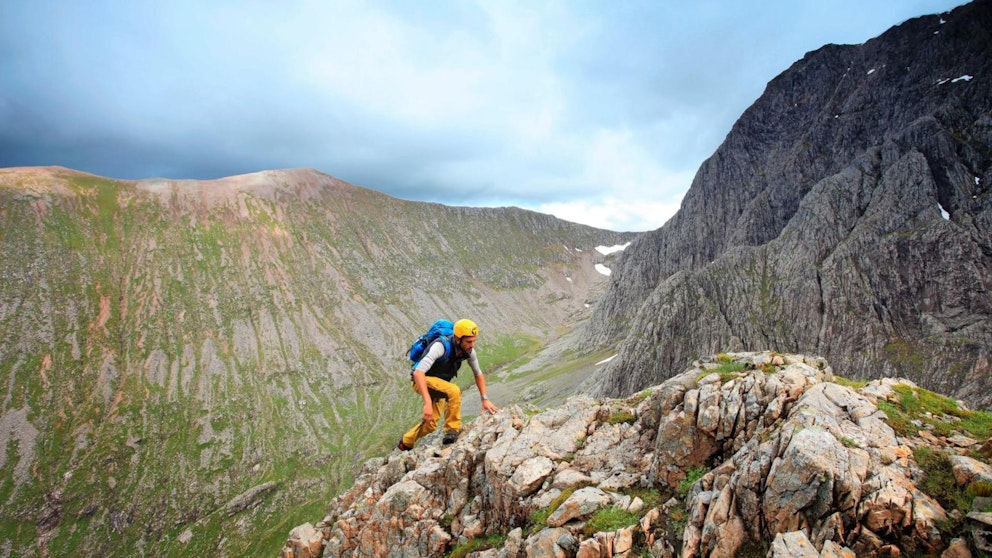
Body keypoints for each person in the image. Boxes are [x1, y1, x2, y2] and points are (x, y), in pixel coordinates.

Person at [397, 318, 498, 451]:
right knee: (454, 390)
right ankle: (452, 430)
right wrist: (427, 403)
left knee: (430, 425)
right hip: (421, 381)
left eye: (474, 341)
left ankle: (406, 442)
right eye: (469, 341)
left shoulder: (468, 351)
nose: (472, 345)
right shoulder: (441, 346)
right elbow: (418, 373)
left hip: (439, 386)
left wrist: (485, 399)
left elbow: (478, 374)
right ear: (458, 339)